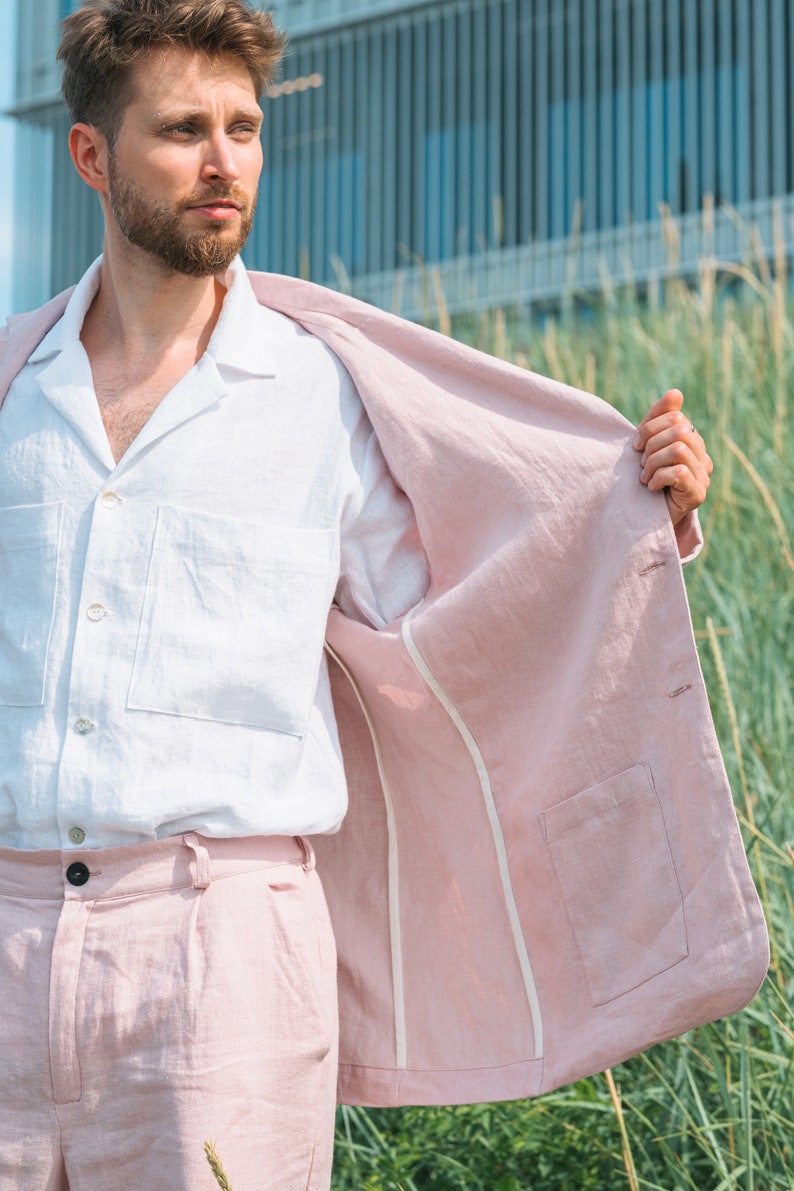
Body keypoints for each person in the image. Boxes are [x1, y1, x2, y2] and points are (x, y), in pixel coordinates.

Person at [0, 1, 737, 1188]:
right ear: (91, 154)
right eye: (182, 130)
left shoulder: (320, 394)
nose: (224, 161)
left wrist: (639, 518)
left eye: (243, 128)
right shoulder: (11, 395)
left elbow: (467, 611)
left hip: (222, 957)